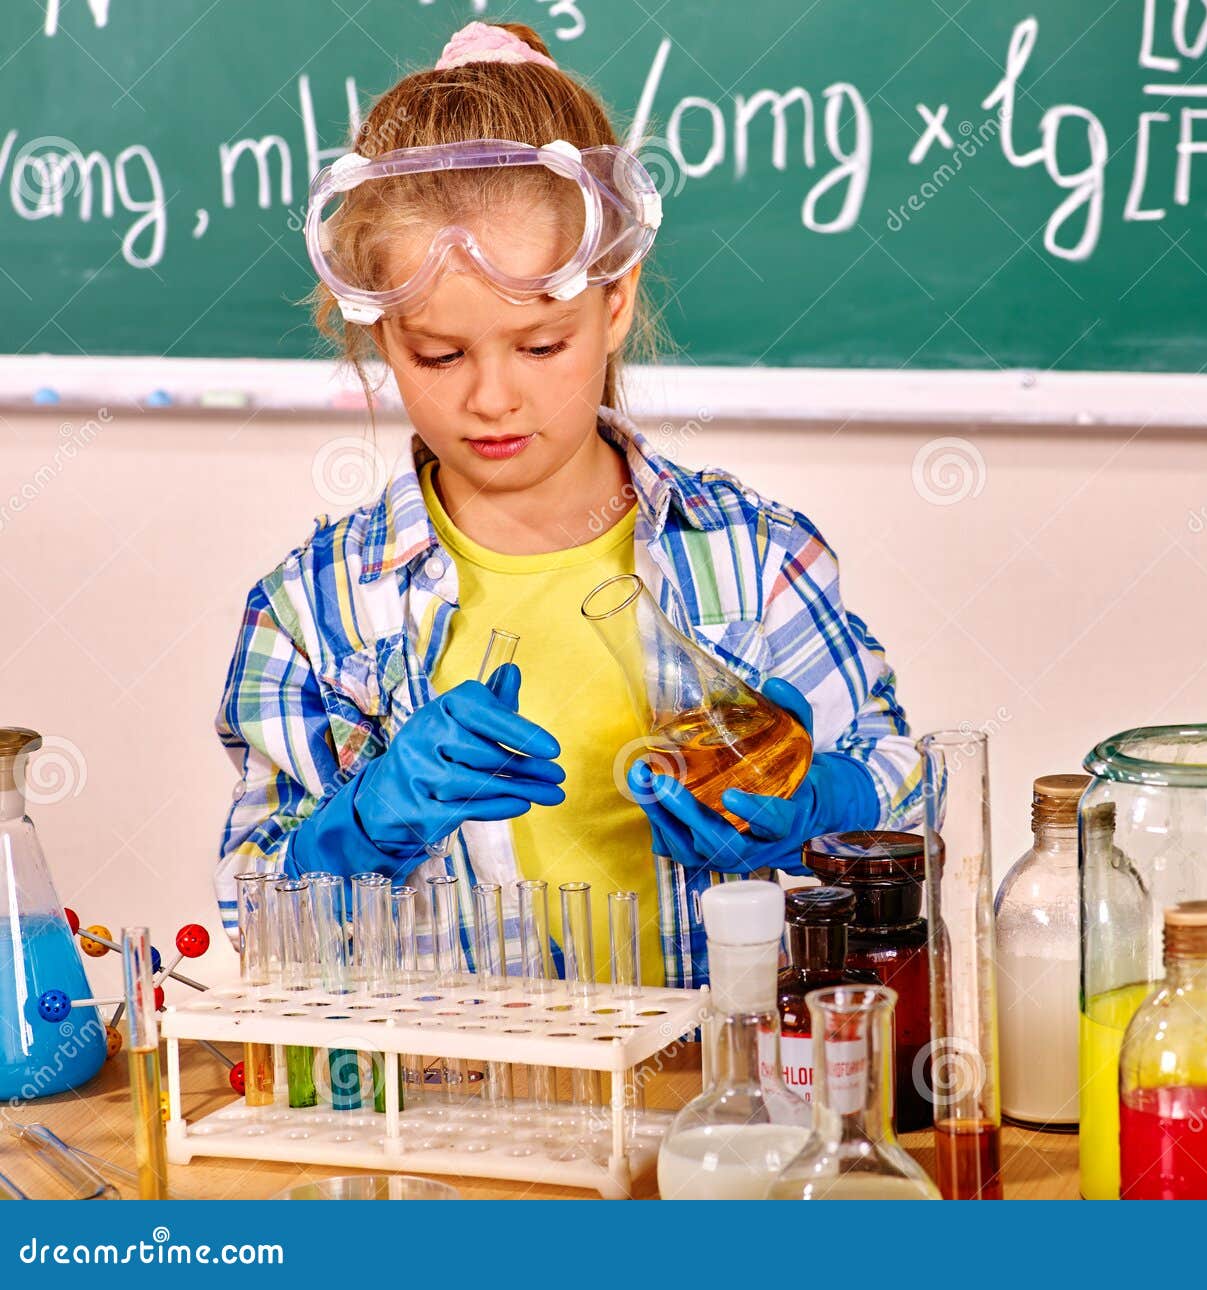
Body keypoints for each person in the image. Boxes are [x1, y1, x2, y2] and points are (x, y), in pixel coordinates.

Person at [213, 21, 917, 987]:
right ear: (381, 338)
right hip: (452, 1111)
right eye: (439, 354)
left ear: (615, 303)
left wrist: (820, 802)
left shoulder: (754, 559)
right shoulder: (315, 611)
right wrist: (366, 822)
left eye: (539, 347)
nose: (492, 396)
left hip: (718, 1105)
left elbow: (912, 810)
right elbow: (251, 926)